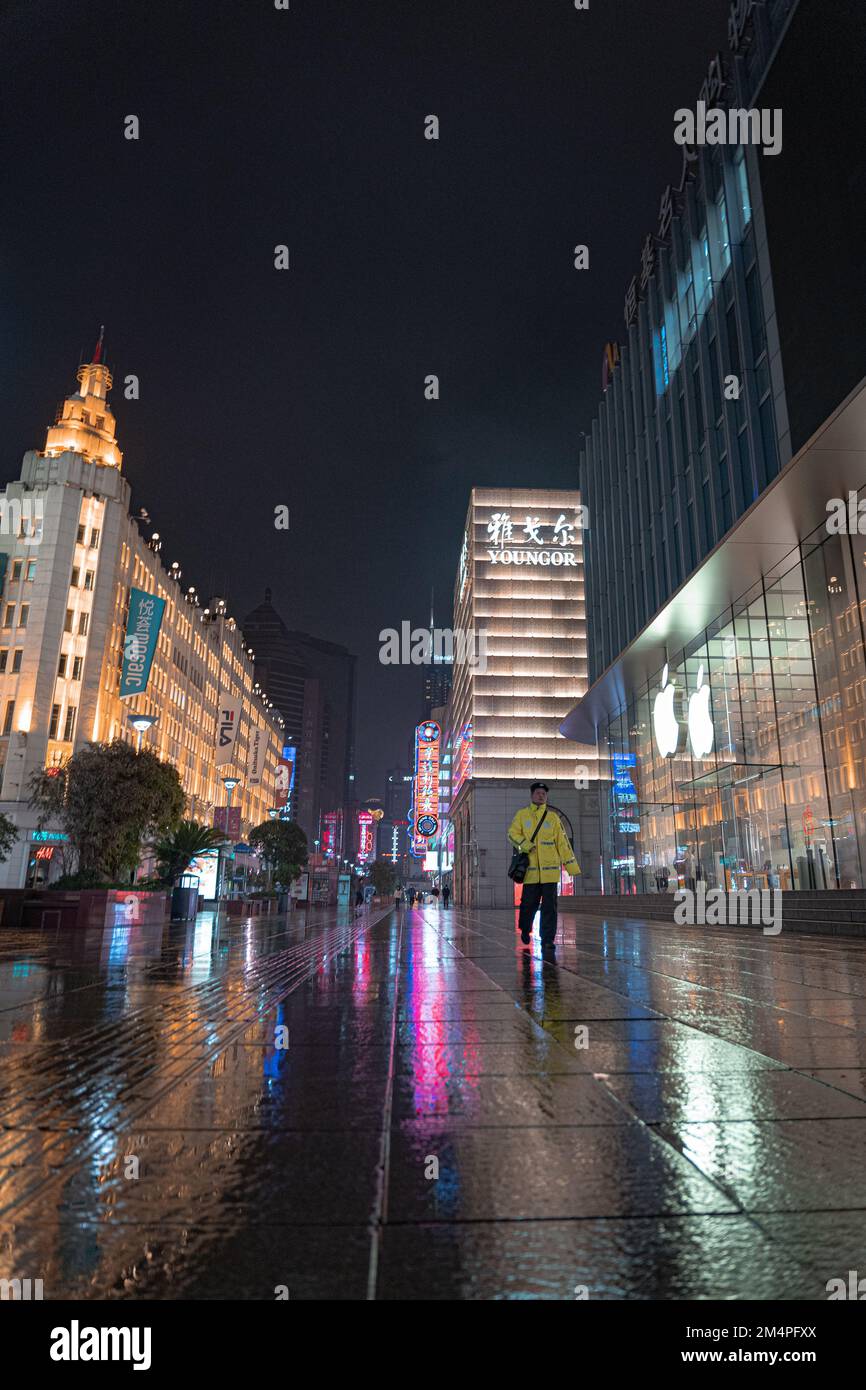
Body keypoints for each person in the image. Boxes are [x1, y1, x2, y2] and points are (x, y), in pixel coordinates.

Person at [507, 782, 580, 953]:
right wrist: (525, 845)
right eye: (538, 793)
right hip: (530, 873)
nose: (541, 796)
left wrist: (572, 867)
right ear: (532, 795)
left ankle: (548, 939)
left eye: (544, 794)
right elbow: (512, 833)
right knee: (528, 905)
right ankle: (525, 929)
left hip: (550, 873)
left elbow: (562, 843)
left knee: (550, 907)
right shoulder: (522, 815)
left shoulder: (553, 818)